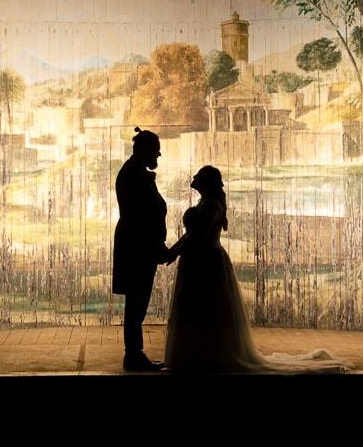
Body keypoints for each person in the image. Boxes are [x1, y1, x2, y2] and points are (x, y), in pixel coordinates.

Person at [162, 165, 348, 374]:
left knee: (206, 307)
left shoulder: (211, 205)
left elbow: (198, 235)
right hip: (199, 259)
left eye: (197, 176)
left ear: (205, 181)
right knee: (201, 308)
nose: (193, 179)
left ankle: (206, 355)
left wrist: (174, 252)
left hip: (205, 261)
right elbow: (191, 235)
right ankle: (199, 355)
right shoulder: (206, 203)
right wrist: (173, 252)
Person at [112, 127, 171, 371]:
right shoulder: (134, 176)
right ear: (145, 150)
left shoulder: (135, 173)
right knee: (137, 303)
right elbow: (142, 217)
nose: (158, 155)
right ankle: (133, 355)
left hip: (138, 245)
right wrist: (157, 246)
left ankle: (134, 354)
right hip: (138, 248)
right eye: (156, 151)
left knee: (137, 303)